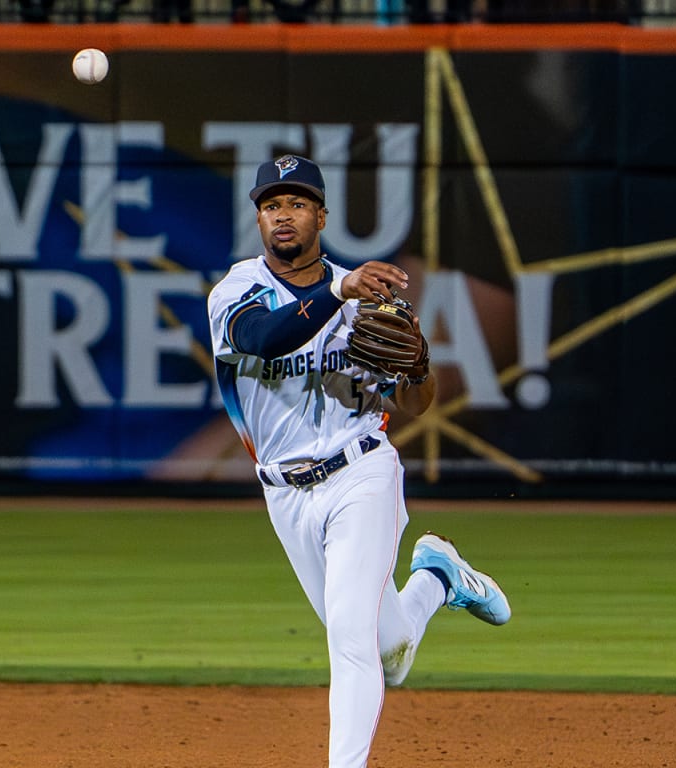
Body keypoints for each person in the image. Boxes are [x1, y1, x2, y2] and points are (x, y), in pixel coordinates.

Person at [205, 155, 511, 768]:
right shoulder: (236, 290)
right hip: (285, 494)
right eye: (270, 206)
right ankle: (437, 577)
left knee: (349, 640)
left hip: (360, 471)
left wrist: (418, 366)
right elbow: (264, 339)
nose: (282, 216)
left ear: (321, 213)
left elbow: (411, 402)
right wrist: (338, 290)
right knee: (387, 651)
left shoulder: (363, 301)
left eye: (295, 203)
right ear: (259, 220)